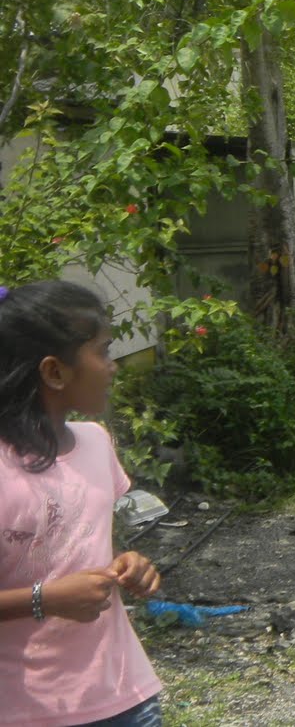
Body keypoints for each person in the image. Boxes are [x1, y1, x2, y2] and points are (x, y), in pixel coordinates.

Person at [0, 280, 165, 727]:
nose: (113, 368)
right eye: (104, 351)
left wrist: (130, 564)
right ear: (54, 371)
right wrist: (43, 600)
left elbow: (79, 548)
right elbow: (51, 584)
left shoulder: (96, 443)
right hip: (25, 710)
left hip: (124, 695)